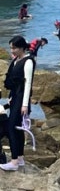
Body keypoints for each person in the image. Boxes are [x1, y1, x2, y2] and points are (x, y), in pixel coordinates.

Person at [0, 35, 35, 172]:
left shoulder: (28, 62)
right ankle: (20, 158)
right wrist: (10, 98)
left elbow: (27, 84)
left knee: (12, 128)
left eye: (14, 48)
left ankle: (14, 161)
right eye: (11, 48)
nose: (12, 51)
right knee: (17, 129)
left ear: (22, 48)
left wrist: (25, 105)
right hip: (15, 98)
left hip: (22, 100)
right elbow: (14, 83)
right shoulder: (16, 60)